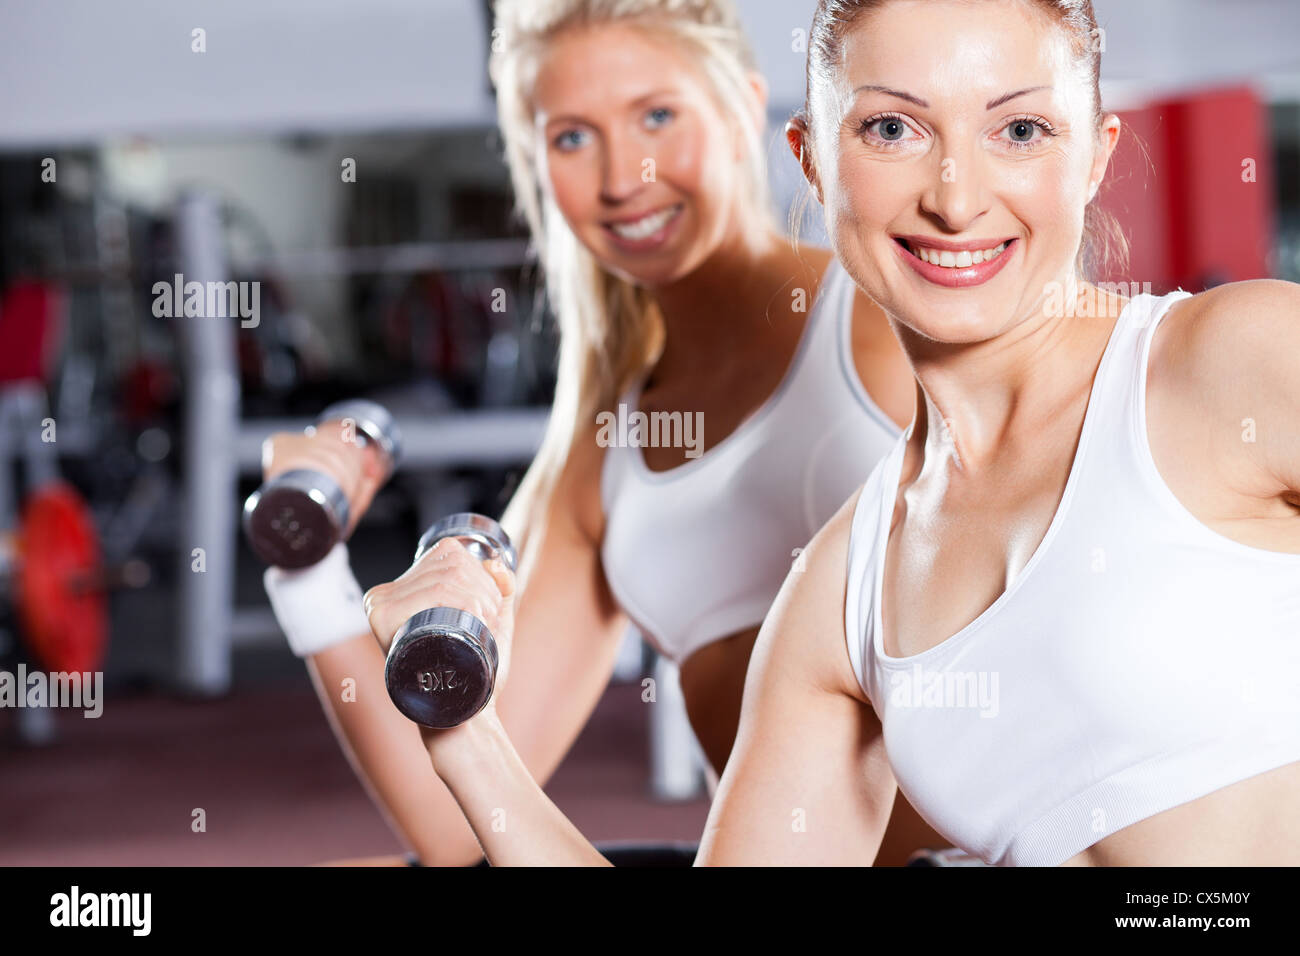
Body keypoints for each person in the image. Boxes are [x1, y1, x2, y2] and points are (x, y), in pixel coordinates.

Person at [366, 0, 1300, 866]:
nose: (956, 197)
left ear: (1095, 155)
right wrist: (462, 727)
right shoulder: (839, 592)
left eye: (1019, 129)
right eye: (892, 128)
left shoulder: (1233, 361)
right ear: (811, 159)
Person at [262, 0, 933, 867]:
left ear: (743, 106)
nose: (624, 177)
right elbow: (452, 823)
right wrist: (307, 570)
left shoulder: (886, 315)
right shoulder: (604, 438)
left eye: (657, 115)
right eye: (573, 137)